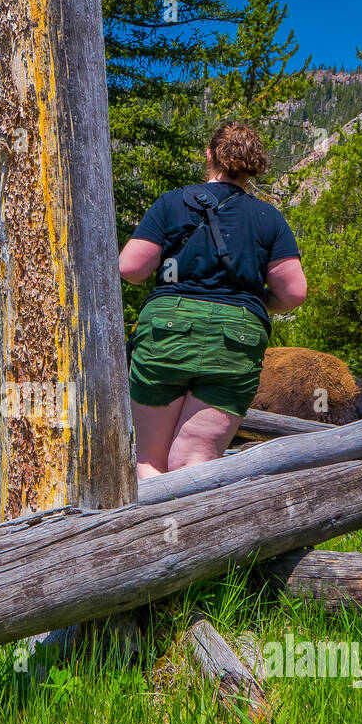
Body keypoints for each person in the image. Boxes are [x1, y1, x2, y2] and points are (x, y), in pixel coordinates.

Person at [119, 121, 307, 478]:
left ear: (209, 156)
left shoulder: (171, 203)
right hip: (237, 338)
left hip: (166, 333)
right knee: (194, 461)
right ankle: (191, 530)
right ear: (254, 165)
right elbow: (294, 292)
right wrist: (257, 301)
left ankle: (157, 532)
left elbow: (130, 268)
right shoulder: (269, 218)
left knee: (150, 460)